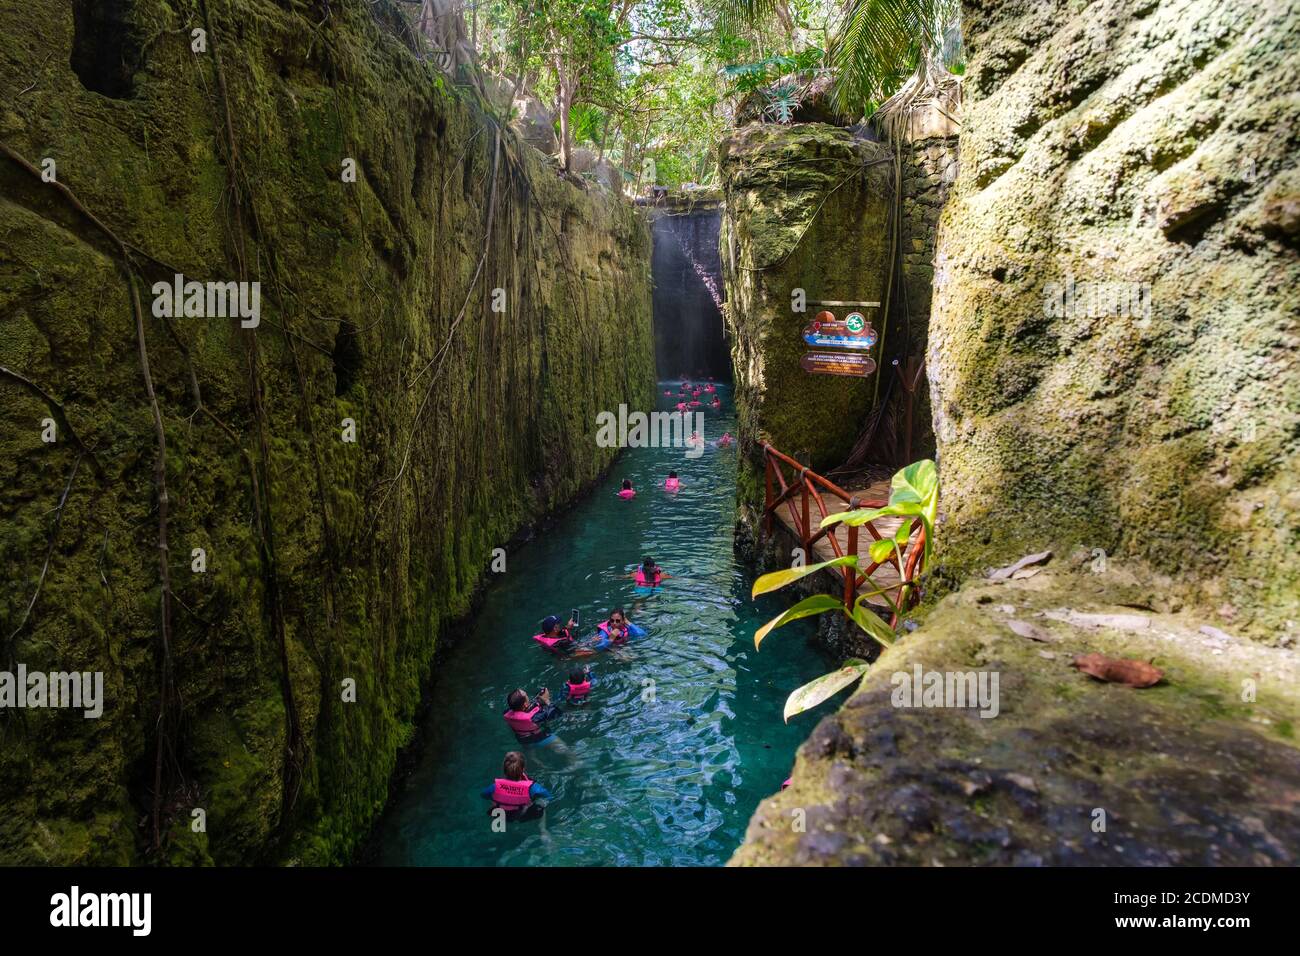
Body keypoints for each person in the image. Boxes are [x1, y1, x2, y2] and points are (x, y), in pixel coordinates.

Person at [481, 751, 551, 820]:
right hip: (523, 814)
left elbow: (483, 795)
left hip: (501, 814)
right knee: (540, 805)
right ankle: (543, 829)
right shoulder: (533, 787)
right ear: (523, 769)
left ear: (504, 770)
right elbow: (547, 796)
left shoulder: (495, 786)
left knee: (494, 800)